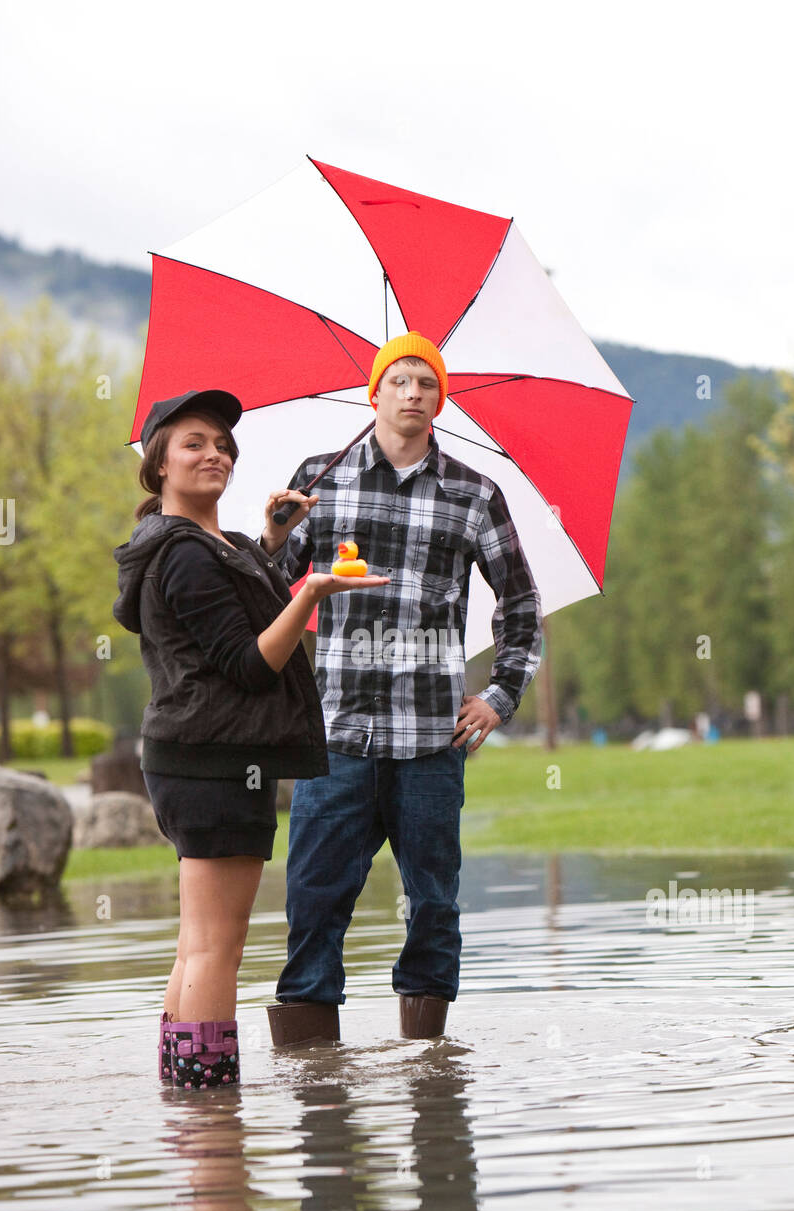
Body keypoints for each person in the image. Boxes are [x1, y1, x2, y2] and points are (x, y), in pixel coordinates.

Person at [258, 333, 543, 1044]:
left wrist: (500, 696)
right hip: (336, 738)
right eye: (400, 380)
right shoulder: (317, 482)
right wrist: (270, 538)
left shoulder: (475, 495)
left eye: (427, 383)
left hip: (432, 741)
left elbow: (521, 604)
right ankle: (314, 1087)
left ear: (439, 401)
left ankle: (429, 1073)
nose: (414, 392)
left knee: (434, 906)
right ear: (374, 394)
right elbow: (264, 595)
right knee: (314, 900)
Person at [112, 389, 389, 1086]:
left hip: (197, 758)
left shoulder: (211, 545)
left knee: (195, 946)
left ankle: (187, 1101)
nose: (215, 454)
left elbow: (232, 607)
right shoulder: (185, 554)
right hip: (216, 762)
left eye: (223, 444)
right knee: (215, 948)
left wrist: (270, 541)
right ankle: (210, 1106)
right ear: (159, 465)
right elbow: (249, 664)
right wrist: (309, 595)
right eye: (194, 443)